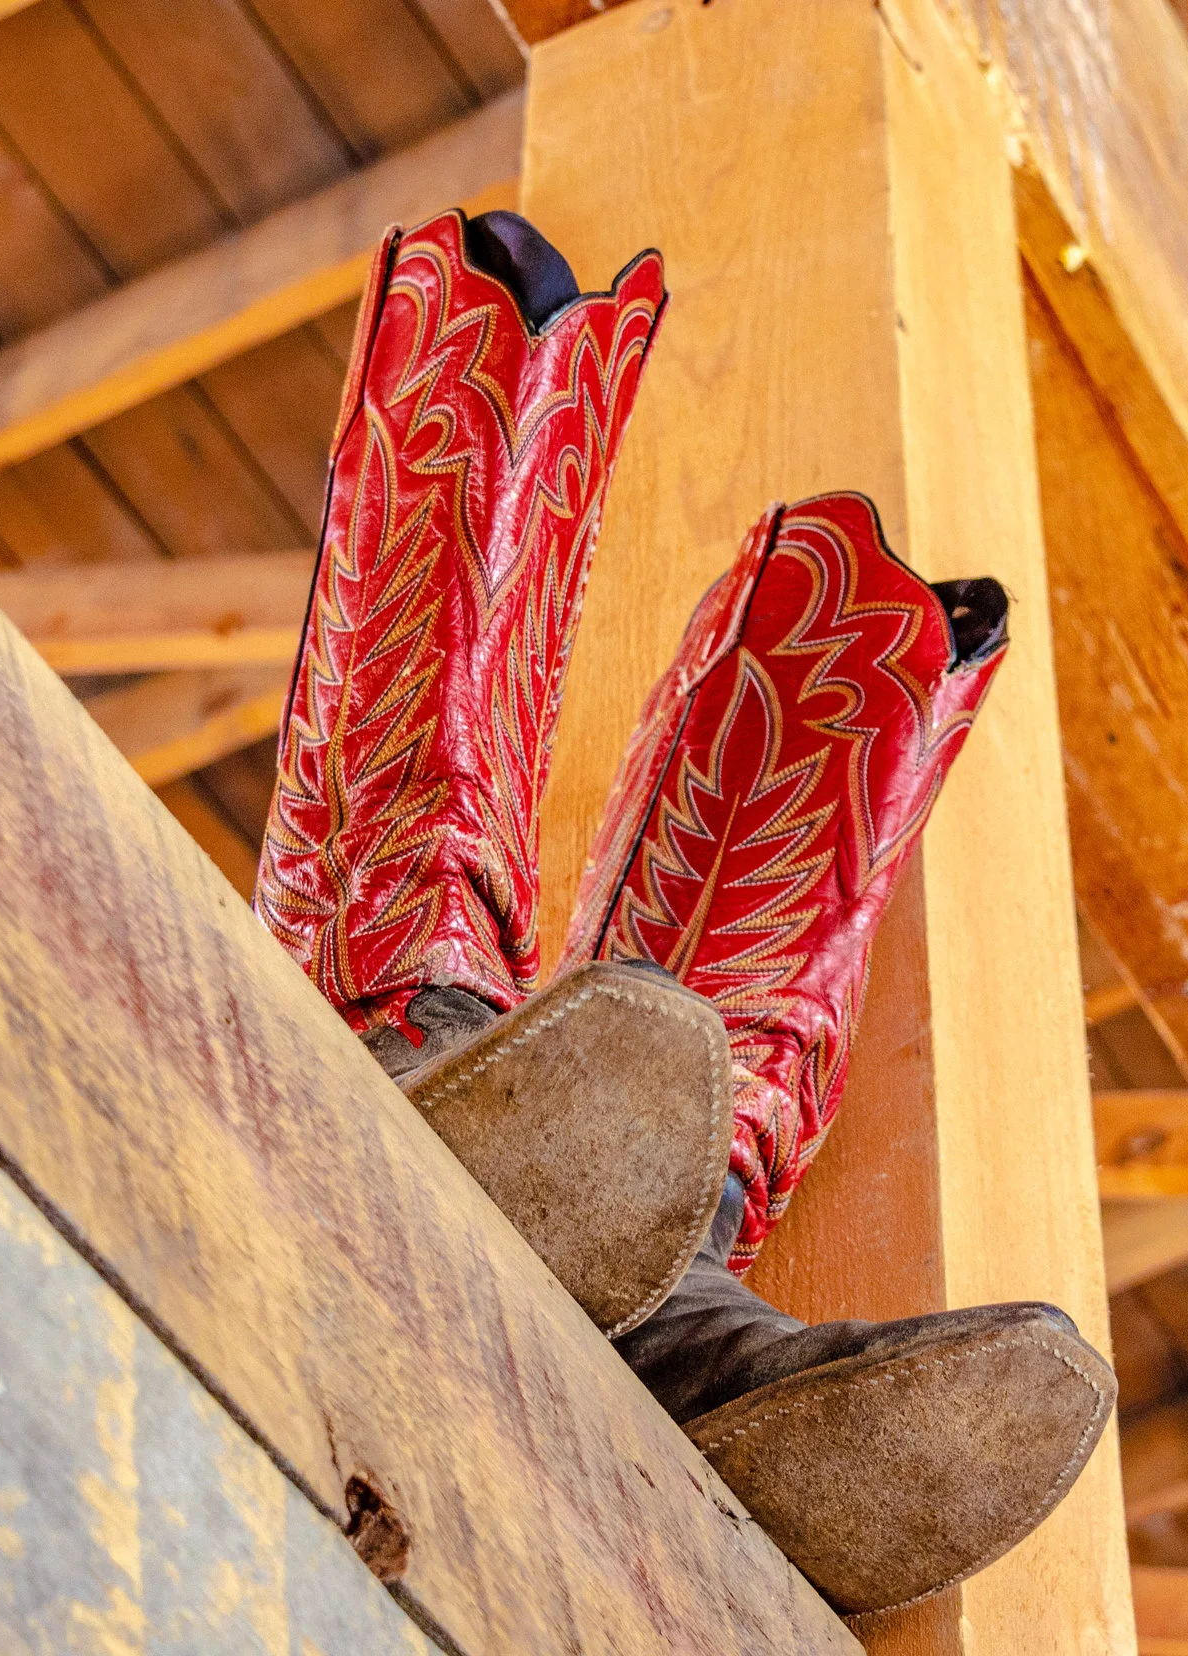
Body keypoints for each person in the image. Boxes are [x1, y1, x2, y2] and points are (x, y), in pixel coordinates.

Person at [253, 207, 1116, 1616]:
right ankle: (397, 982)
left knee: (691, 1057)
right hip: (397, 995)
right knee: (601, 1004)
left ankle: (671, 1257)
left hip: (616, 1120)